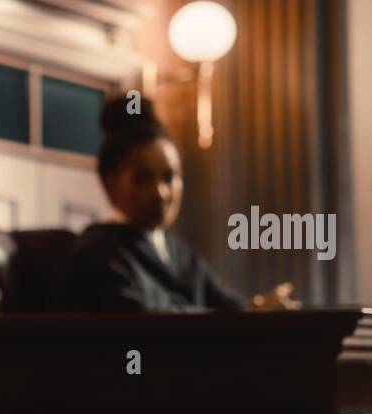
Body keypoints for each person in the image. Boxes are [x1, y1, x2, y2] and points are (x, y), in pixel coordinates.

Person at [65, 95, 299, 312]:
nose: (161, 193)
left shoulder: (179, 253)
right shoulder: (97, 253)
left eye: (169, 177)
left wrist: (260, 308)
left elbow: (228, 305)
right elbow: (147, 322)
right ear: (109, 182)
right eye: (142, 178)